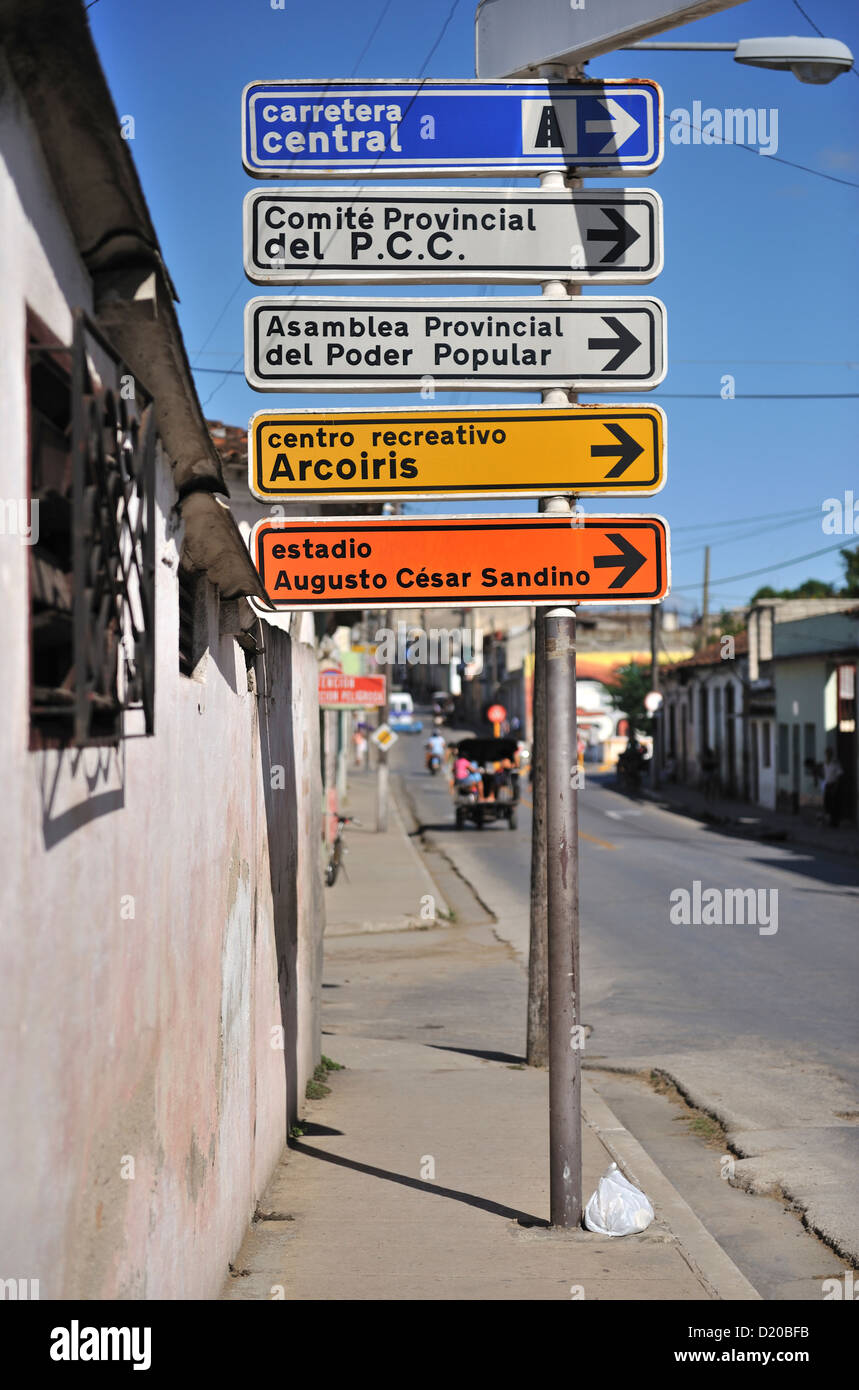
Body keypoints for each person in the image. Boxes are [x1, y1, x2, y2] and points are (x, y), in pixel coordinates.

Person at [822, 747, 844, 828]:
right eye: (827, 753)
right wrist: (823, 786)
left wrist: (836, 786)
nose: (827, 755)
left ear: (831, 754)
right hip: (827, 785)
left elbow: (839, 775)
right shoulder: (825, 763)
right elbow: (825, 776)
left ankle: (835, 822)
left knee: (834, 804)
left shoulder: (835, 763)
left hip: (833, 785)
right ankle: (829, 820)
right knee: (827, 804)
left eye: (829, 753)